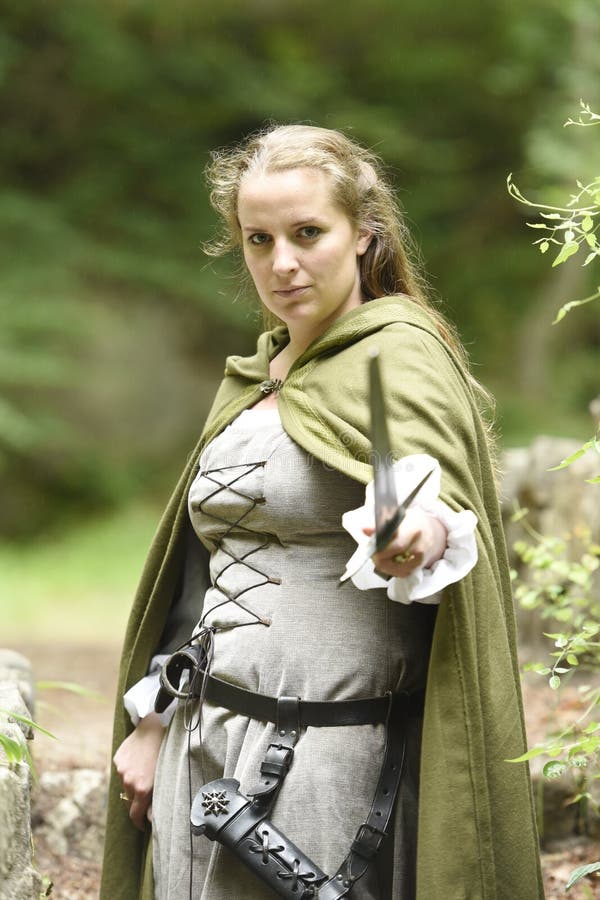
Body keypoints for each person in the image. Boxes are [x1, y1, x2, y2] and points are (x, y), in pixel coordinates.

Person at [100, 125, 543, 900]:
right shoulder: (258, 377)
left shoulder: (400, 355)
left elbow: (435, 506)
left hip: (331, 763)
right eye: (258, 239)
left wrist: (416, 538)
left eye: (308, 233)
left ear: (364, 233)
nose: (283, 262)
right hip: (205, 743)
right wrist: (155, 717)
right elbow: (204, 573)